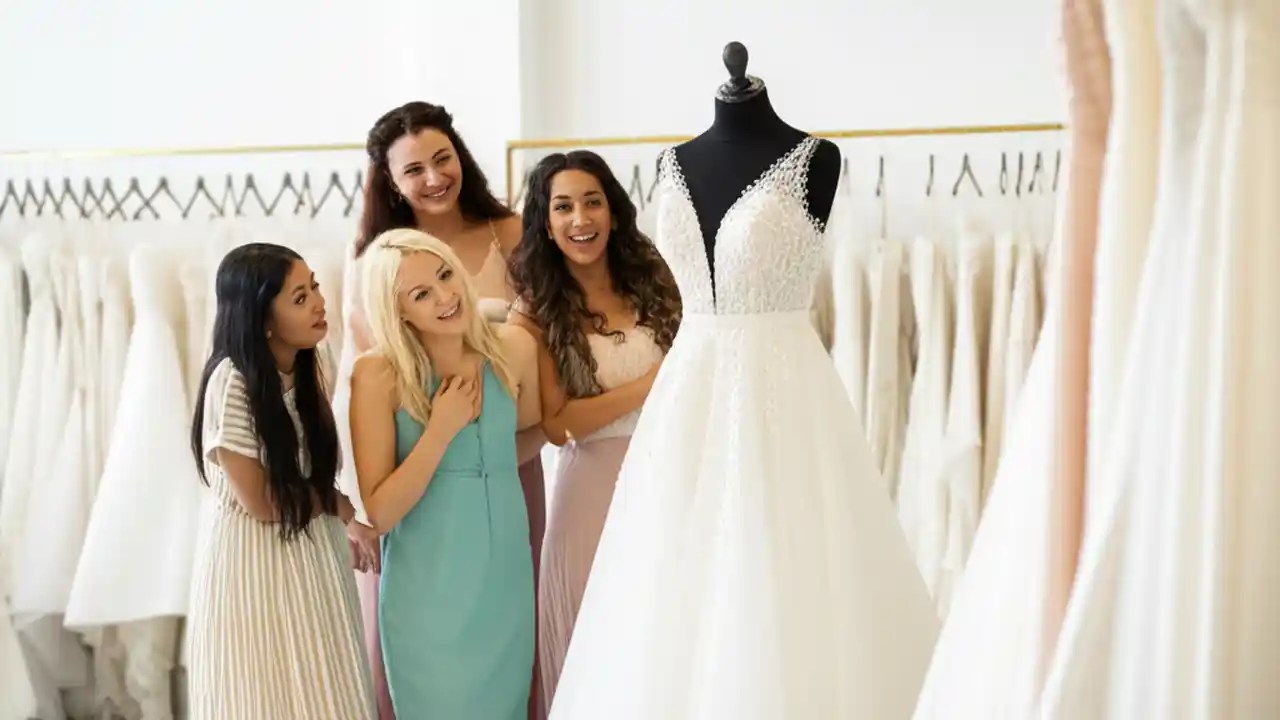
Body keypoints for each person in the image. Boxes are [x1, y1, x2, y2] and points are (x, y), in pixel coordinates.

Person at [336, 100, 547, 718]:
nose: (433, 178)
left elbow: (538, 370)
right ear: (390, 183)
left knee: (507, 641)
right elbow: (362, 372)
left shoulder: (511, 234)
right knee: (428, 657)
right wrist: (356, 506)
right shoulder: (372, 257)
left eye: (442, 158)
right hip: (415, 477)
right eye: (412, 170)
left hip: (504, 466)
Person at [507, 150, 679, 713]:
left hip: (670, 473)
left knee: (666, 629)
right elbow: (560, 423)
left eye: (591, 202)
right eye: (563, 207)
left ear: (612, 209)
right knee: (597, 638)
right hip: (593, 487)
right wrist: (655, 383)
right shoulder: (537, 309)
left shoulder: (656, 281)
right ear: (547, 224)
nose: (581, 219)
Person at [187, 242, 374, 719]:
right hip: (254, 558)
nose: (318, 301)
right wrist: (337, 506)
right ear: (263, 320)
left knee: (326, 685)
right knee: (265, 691)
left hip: (311, 547)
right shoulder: (232, 381)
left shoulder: (315, 361)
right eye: (299, 297)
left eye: (313, 286)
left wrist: (335, 509)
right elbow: (262, 503)